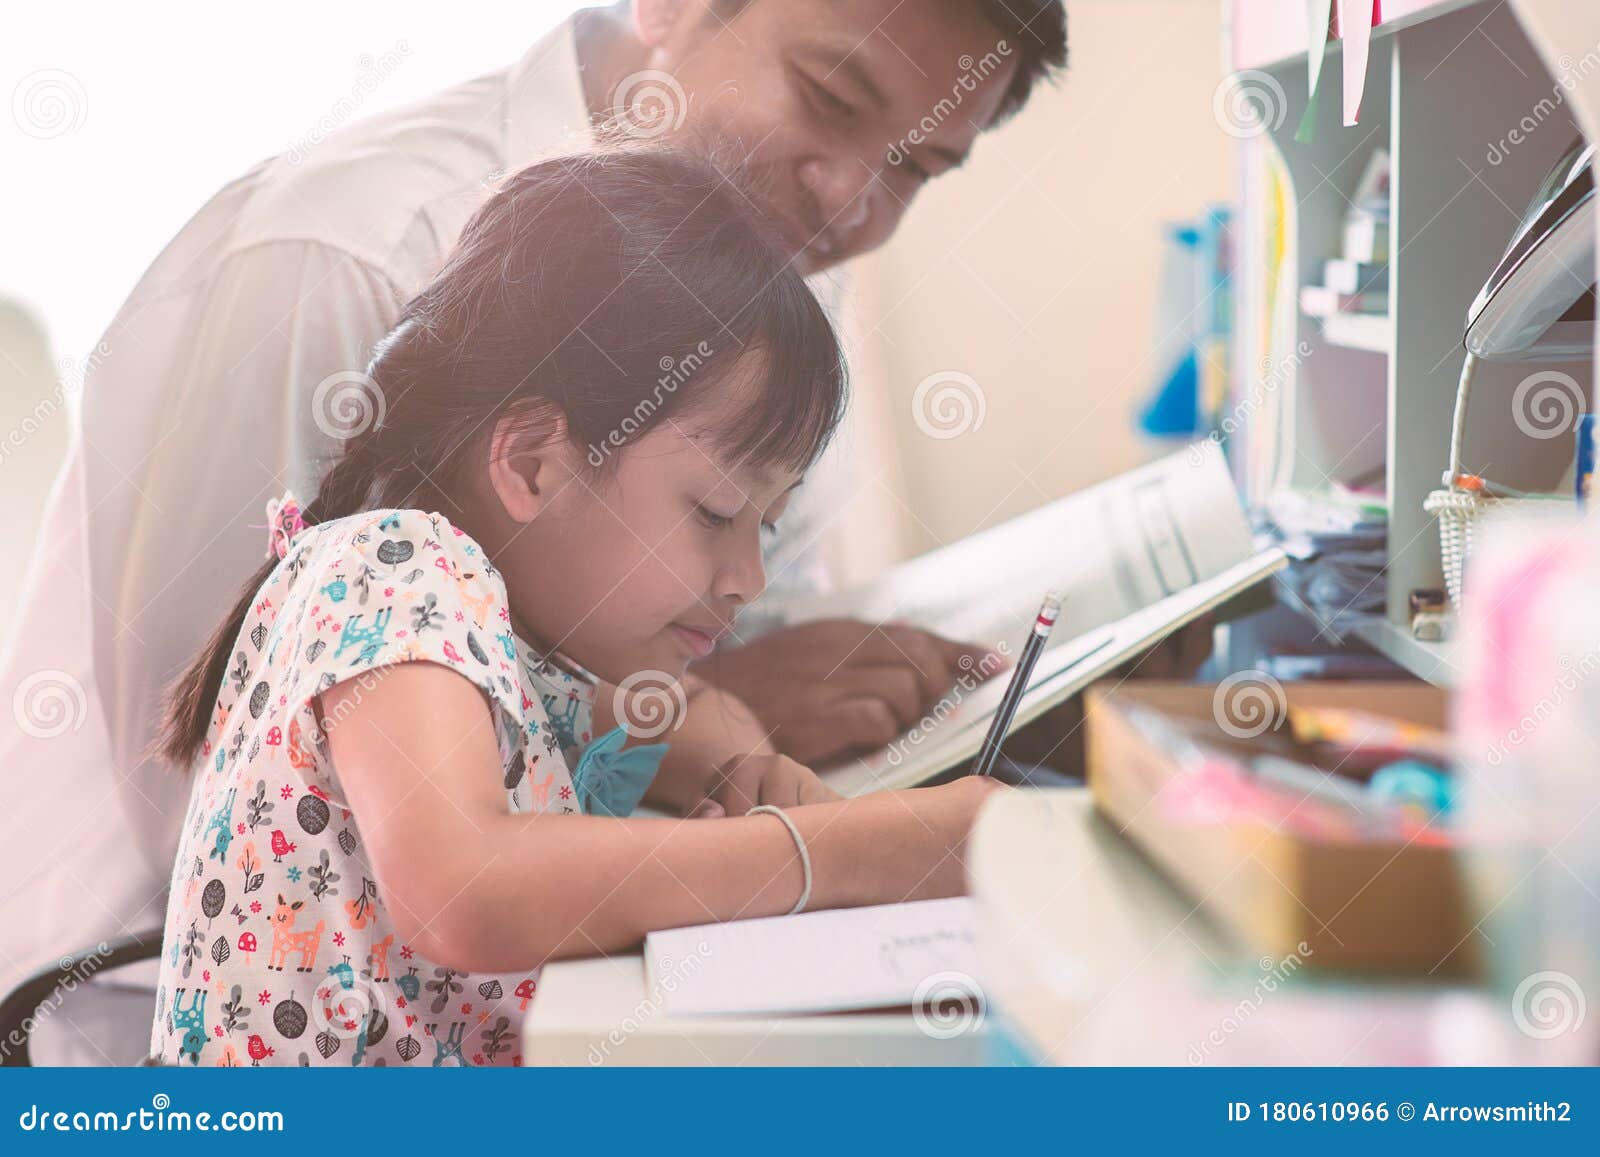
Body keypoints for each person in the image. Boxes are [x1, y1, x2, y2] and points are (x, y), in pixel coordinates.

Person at [1, 0, 1068, 992]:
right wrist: (824, 849)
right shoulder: (346, 299)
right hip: (163, 1025)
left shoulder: (761, 279)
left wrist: (729, 732)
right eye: (830, 99)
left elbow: (631, 675)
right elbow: (241, 786)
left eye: (918, 166)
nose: (850, 199)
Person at [145, 147, 1001, 1067]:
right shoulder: (395, 567)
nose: (746, 576)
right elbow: (461, 888)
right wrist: (837, 850)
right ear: (533, 464)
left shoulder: (503, 632)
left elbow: (638, 718)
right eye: (715, 511)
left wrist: (732, 753)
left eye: (769, 524)